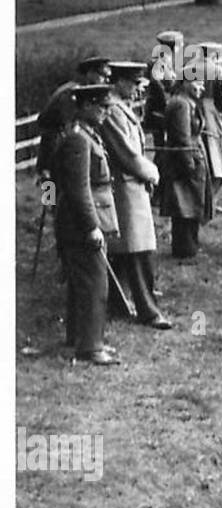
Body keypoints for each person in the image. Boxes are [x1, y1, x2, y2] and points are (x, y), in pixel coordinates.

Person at [98, 61, 172, 330]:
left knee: (127, 250)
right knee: (139, 250)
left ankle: (117, 303)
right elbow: (127, 154)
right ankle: (148, 311)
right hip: (126, 186)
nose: (137, 89)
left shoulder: (120, 108)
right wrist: (152, 172)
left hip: (131, 186)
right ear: (118, 82)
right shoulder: (113, 111)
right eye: (132, 83)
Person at [51, 83, 120, 365]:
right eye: (102, 107)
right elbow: (79, 189)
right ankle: (91, 348)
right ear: (88, 106)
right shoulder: (79, 140)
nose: (107, 112)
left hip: (77, 220)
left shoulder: (87, 135)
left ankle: (80, 339)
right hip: (78, 223)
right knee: (94, 283)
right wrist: (92, 226)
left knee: (84, 282)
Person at [157, 72, 213, 260]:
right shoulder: (181, 104)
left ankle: (190, 246)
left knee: (192, 203)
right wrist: (189, 165)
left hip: (191, 156)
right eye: (198, 83)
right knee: (184, 205)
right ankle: (184, 249)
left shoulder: (185, 102)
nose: (201, 88)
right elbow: (182, 138)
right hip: (182, 161)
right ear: (186, 82)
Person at [35, 57, 112, 179]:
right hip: (52, 147)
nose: (106, 80)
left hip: (56, 144)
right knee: (50, 190)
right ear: (90, 73)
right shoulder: (71, 93)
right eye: (102, 75)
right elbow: (68, 125)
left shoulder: (77, 90)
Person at [195, 41, 222, 209]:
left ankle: (202, 200)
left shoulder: (189, 69)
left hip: (193, 111)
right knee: (217, 161)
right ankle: (209, 202)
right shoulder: (217, 70)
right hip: (211, 114)